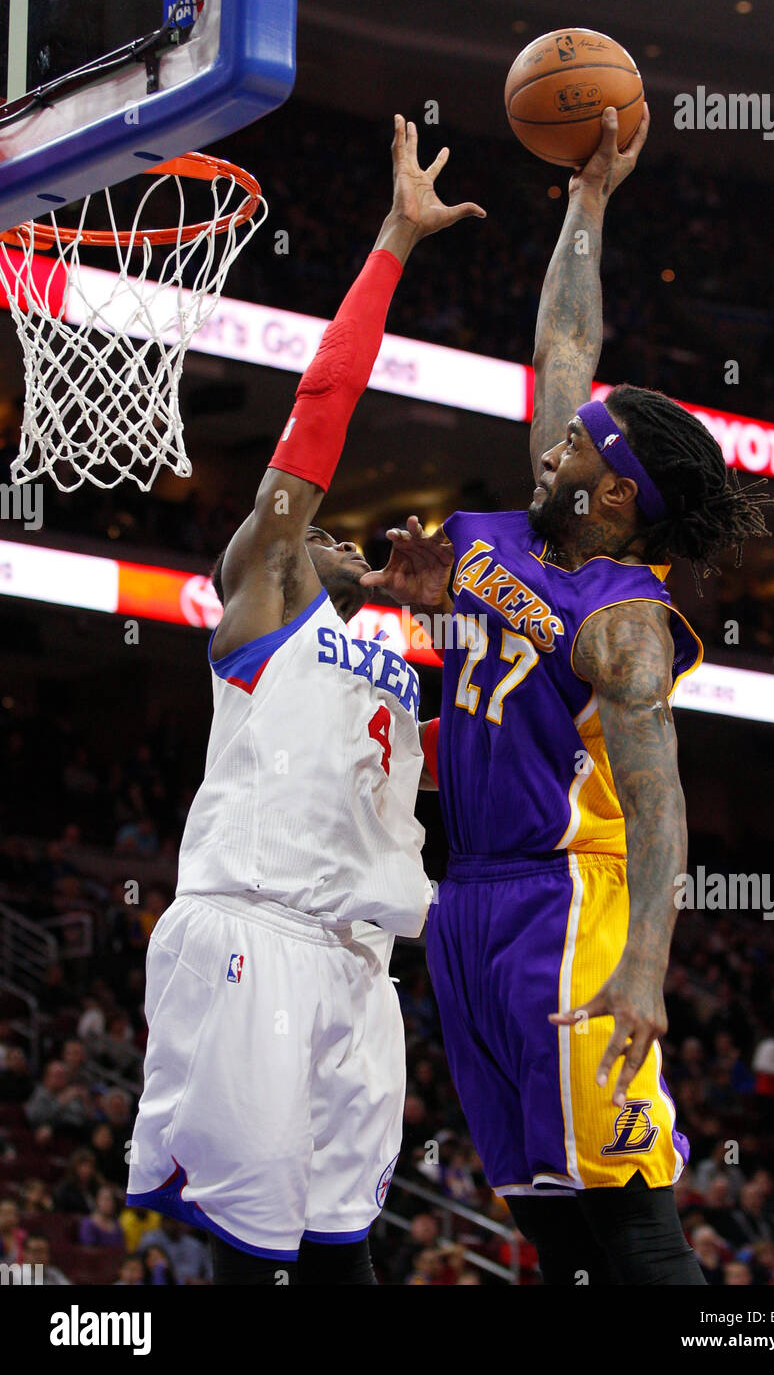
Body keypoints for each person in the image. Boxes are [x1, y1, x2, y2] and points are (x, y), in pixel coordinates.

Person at [366, 106, 774, 1286]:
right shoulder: (531, 532)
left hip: (566, 911)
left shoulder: (624, 622)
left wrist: (642, 968)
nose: (551, 448)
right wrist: (588, 202)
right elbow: (560, 349)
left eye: (577, 451)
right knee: (551, 1225)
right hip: (469, 908)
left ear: (615, 495)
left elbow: (659, 812)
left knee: (633, 1222)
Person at [125, 116, 484, 1286]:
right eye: (319, 527)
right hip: (253, 935)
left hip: (360, 964)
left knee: (341, 1260)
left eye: (335, 534)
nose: (331, 533)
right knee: (253, 1264)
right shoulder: (267, 595)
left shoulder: (376, 655)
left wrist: (446, 625)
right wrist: (392, 241)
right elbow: (317, 417)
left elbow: (460, 756)